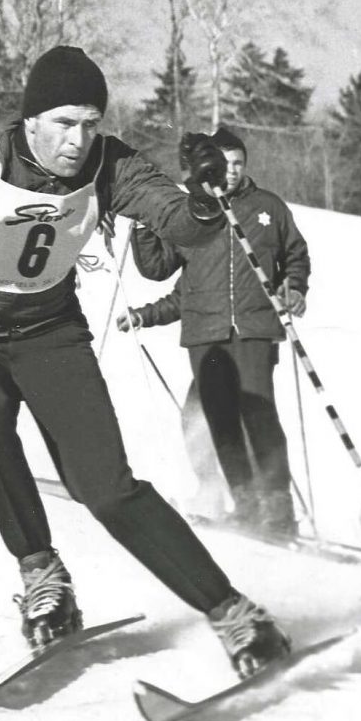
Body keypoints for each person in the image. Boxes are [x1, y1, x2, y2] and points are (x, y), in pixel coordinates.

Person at [0, 46, 292, 677]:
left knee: (109, 491)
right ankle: (43, 574)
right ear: (30, 121)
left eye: (89, 123)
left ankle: (236, 614)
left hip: (51, 338)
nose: (78, 140)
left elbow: (182, 226)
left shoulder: (110, 164)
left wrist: (207, 197)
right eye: (63, 123)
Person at [118, 127, 310, 537]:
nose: (233, 171)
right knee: (220, 420)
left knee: (259, 414)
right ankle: (246, 504)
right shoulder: (193, 213)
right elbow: (159, 271)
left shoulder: (268, 208)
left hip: (255, 328)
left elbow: (296, 255)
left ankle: (278, 509)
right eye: (226, 164)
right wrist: (143, 226)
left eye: (240, 163)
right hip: (205, 334)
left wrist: (294, 286)